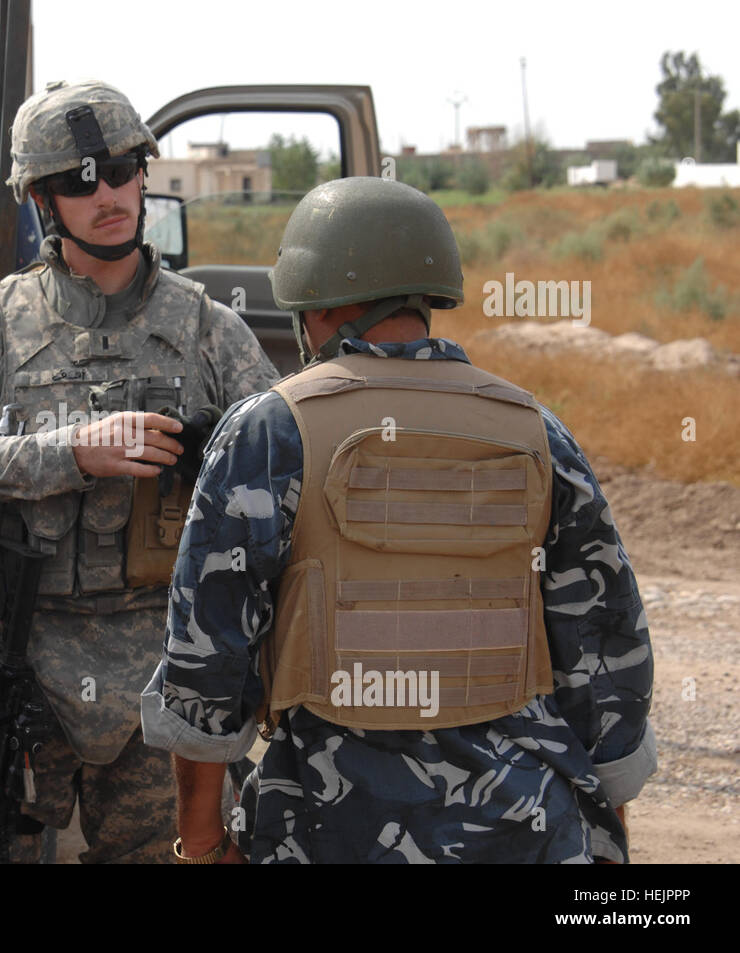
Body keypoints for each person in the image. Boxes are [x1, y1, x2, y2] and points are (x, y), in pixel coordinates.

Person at [141, 177, 657, 864]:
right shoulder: (537, 432)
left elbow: (206, 665)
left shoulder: (269, 432)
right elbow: (606, 658)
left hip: (327, 826)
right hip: (525, 824)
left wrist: (202, 844)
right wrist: (602, 832)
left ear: (314, 307)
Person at [0, 79, 279, 863]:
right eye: (78, 180)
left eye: (119, 169)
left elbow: (284, 482)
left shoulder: (211, 331)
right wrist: (66, 453)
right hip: (17, 667)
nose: (105, 192)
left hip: (167, 673)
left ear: (145, 173)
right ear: (43, 200)